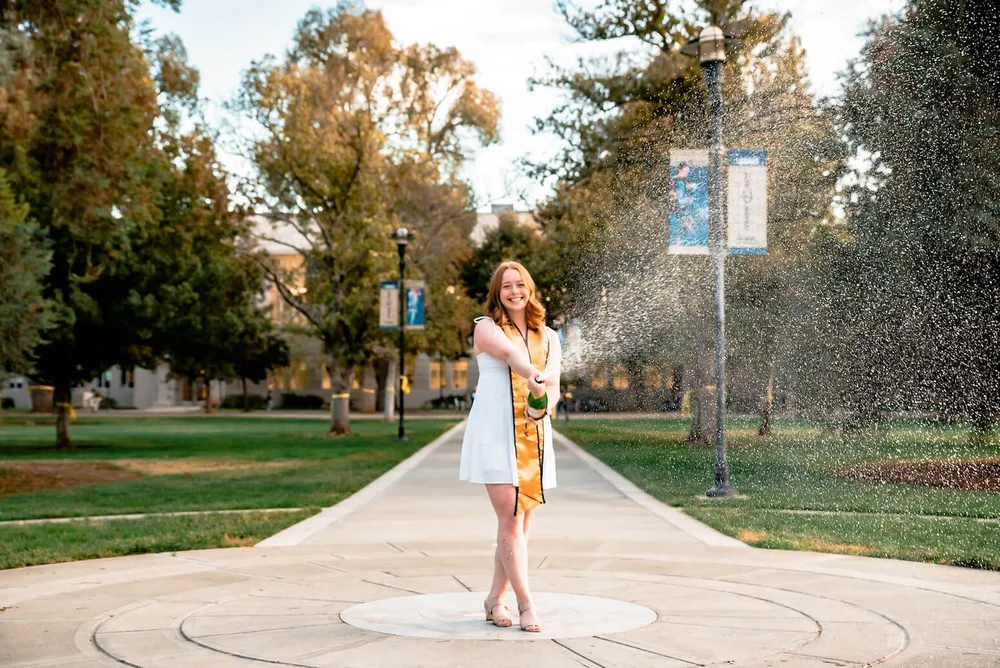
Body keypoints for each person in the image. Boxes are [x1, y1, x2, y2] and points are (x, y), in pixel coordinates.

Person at [459, 261, 561, 634]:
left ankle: (493, 599)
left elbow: (554, 388)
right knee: (510, 519)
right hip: (495, 431)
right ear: (497, 293)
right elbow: (512, 357)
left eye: (520, 284)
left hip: (532, 436)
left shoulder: (549, 336)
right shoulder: (485, 327)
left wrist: (542, 406)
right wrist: (533, 376)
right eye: (506, 286)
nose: (514, 291)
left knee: (520, 524)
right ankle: (526, 605)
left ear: (530, 289)